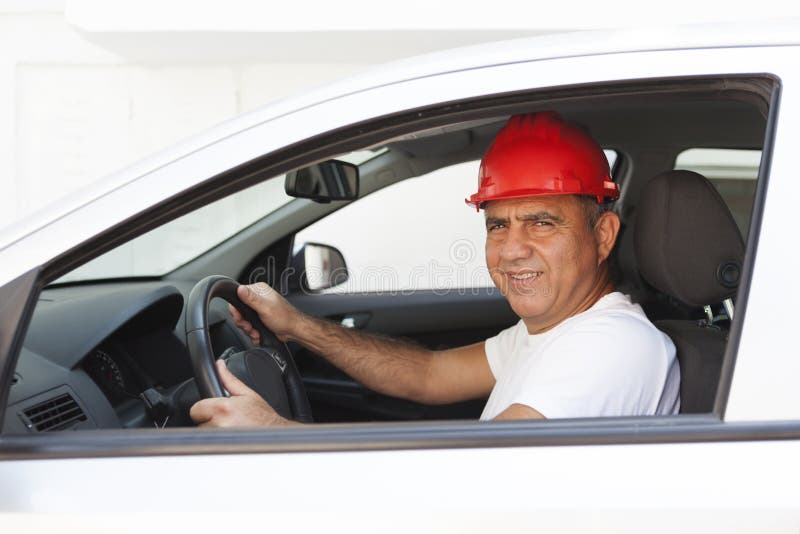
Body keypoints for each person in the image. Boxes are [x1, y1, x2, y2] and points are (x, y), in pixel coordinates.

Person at [190, 111, 680, 428]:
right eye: (497, 225)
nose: (511, 250)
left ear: (602, 236)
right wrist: (298, 327)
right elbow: (429, 374)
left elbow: (464, 480)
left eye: (542, 223)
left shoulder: (610, 346)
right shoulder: (557, 331)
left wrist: (273, 436)